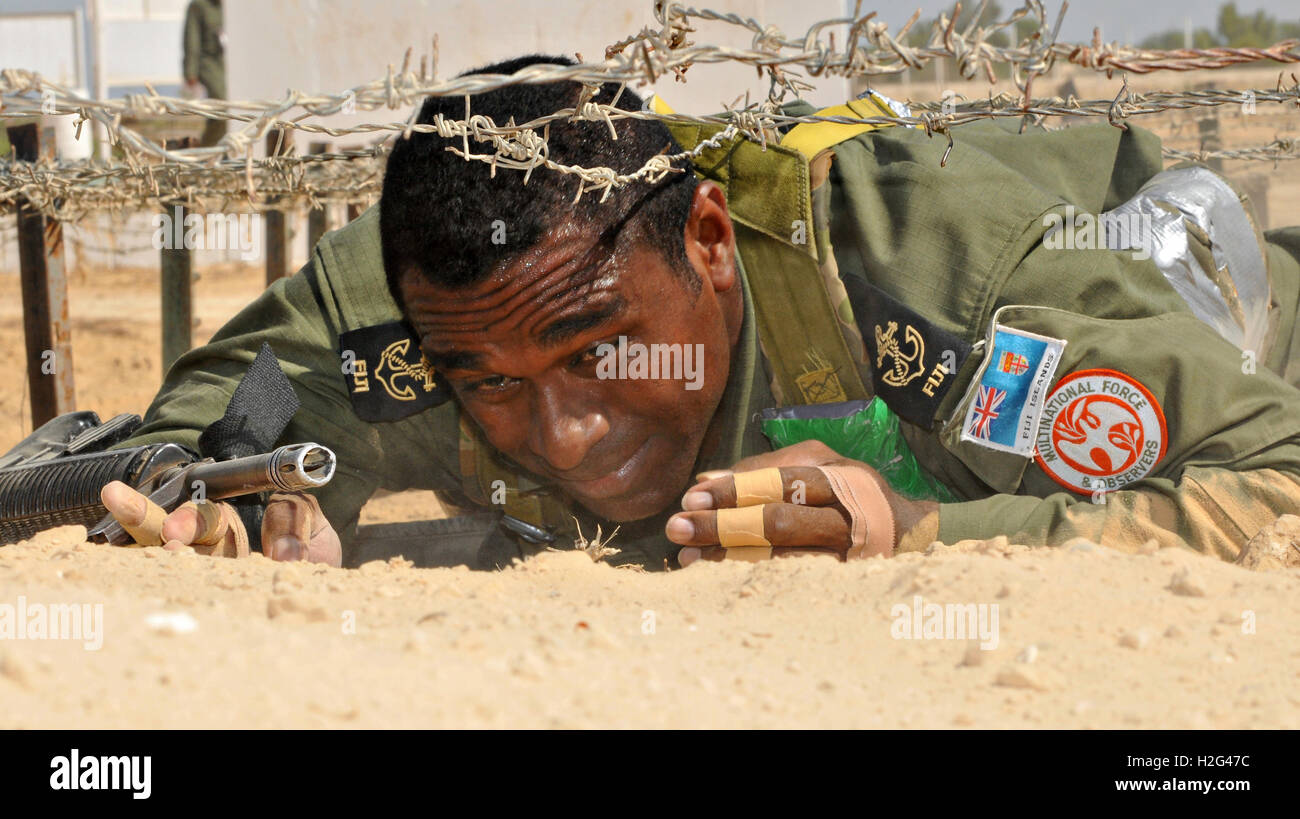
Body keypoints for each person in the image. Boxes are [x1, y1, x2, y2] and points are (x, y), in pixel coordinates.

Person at [100, 54, 1300, 570]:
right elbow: (233, 410)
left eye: (603, 349)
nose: (563, 437)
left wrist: (925, 531)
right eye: (492, 388)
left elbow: (1273, 475)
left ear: (714, 244)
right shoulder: (432, 287)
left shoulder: (925, 278)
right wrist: (247, 503)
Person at [183, 0, 226, 148]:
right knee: (222, 106)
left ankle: (218, 152)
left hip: (226, 63)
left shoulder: (228, 7)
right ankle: (207, 150)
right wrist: (190, 72)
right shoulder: (199, 6)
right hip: (208, 64)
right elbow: (191, 40)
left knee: (228, 111)